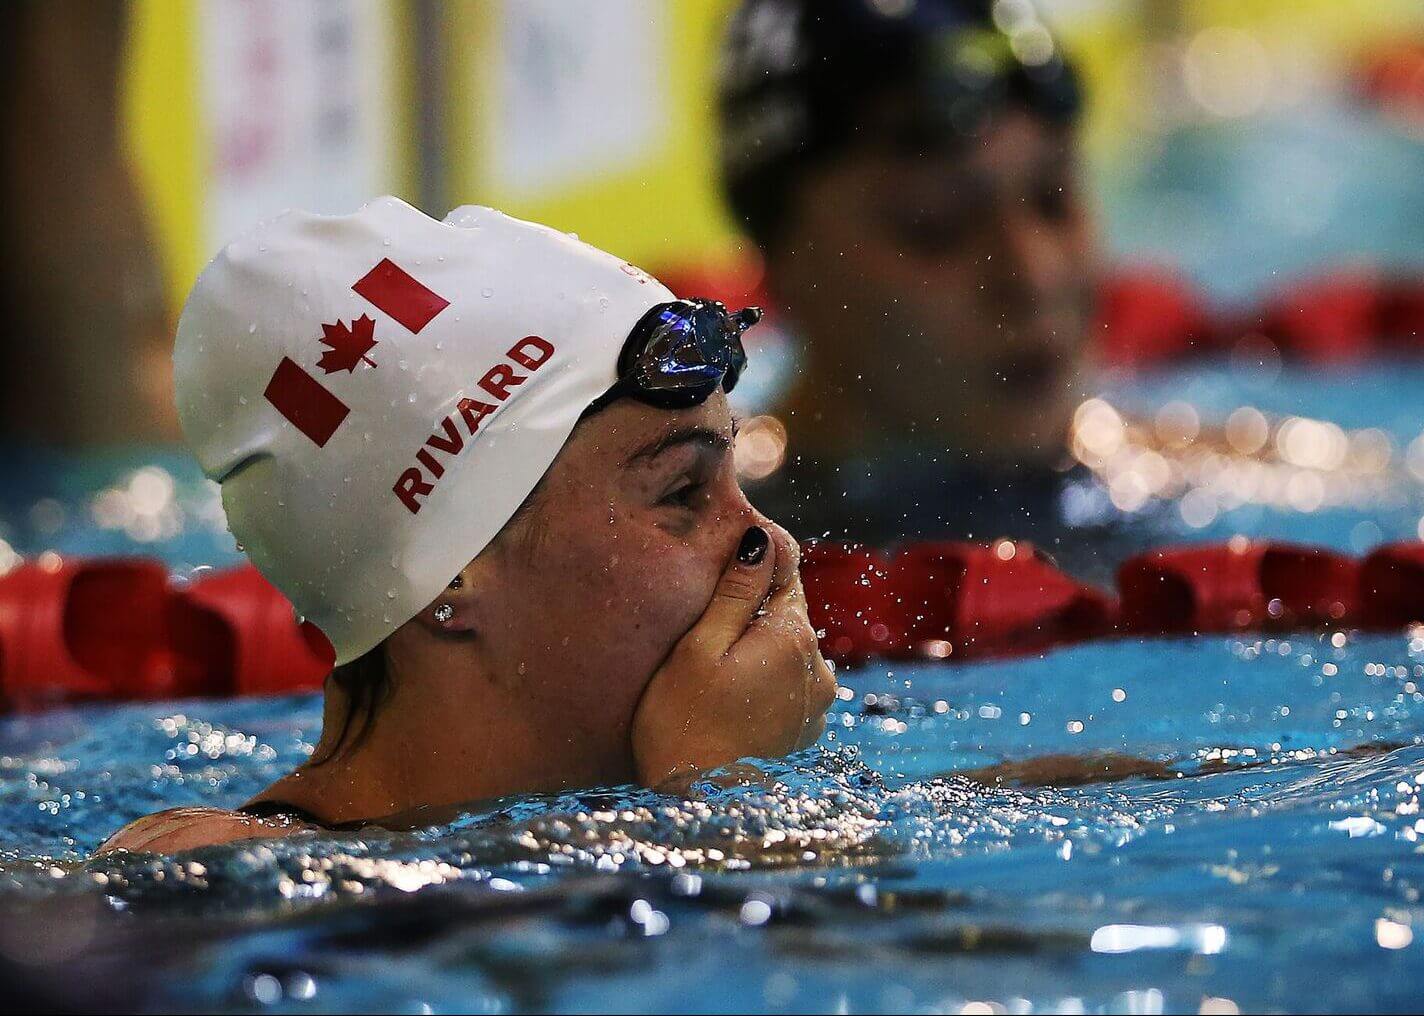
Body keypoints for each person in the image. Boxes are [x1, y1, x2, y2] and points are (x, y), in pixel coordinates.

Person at [100, 197, 836, 855]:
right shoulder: (209, 882)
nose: (772, 543)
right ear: (451, 570)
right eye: (682, 492)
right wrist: (726, 805)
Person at [717, 0, 1100, 548]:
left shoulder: (1183, 470)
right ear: (784, 263)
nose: (1034, 278)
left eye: (1053, 199)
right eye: (936, 227)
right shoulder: (722, 565)